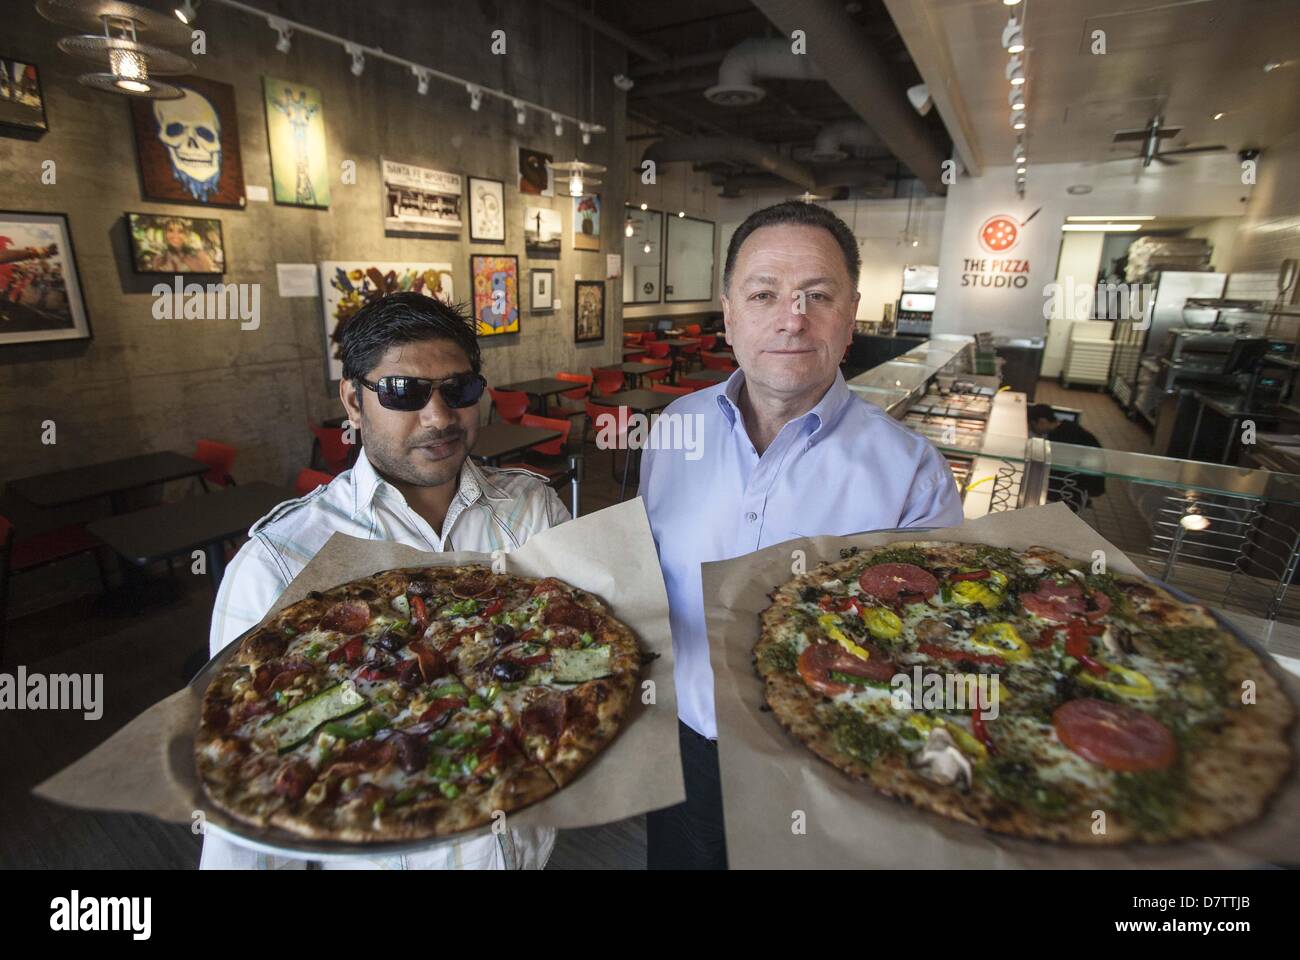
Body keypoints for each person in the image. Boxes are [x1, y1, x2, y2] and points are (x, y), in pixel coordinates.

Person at [638, 201, 964, 869]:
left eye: (818, 296)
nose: (792, 318)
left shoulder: (912, 473)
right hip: (684, 742)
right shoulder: (671, 429)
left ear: (851, 317)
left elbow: (934, 648)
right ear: (728, 311)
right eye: (765, 294)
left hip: (828, 762)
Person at [202, 291, 569, 870]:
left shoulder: (535, 510)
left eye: (460, 389)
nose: (440, 416)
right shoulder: (277, 563)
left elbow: (575, 670)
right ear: (353, 400)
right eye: (404, 392)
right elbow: (246, 798)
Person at [1027, 403, 1106, 505]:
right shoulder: (1066, 426)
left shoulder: (1060, 437)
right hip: (1088, 480)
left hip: (1081, 484)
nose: (1033, 430)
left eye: (1033, 425)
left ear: (1043, 422)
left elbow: (1055, 467)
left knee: (1031, 479)